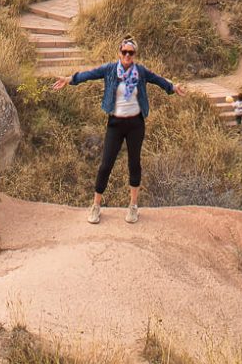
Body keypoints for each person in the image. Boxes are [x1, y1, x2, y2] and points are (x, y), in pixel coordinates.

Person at [52, 36, 185, 224]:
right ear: (119, 53)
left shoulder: (140, 71)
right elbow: (89, 74)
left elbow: (158, 80)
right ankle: (96, 206)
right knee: (106, 165)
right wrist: (69, 79)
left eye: (131, 53)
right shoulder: (110, 69)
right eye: (124, 52)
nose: (127, 55)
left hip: (136, 125)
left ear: (135, 55)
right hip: (115, 124)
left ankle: (133, 206)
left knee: (134, 164)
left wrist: (172, 87)